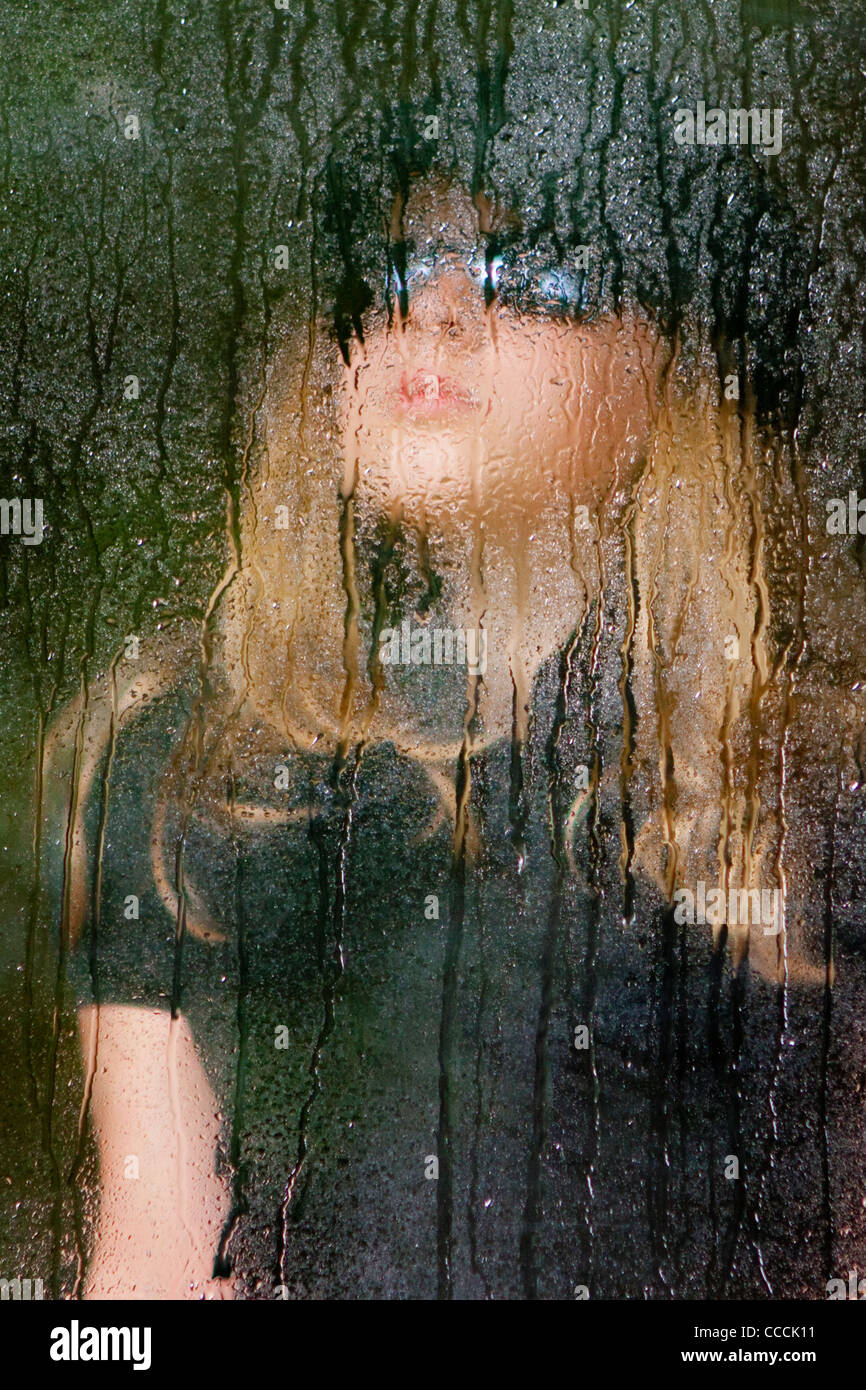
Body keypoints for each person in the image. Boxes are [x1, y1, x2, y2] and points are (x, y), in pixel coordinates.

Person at [45, 173, 819, 1300]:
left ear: (670, 382)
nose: (436, 309)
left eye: (534, 276)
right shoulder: (192, 764)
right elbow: (153, 1264)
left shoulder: (806, 784)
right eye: (397, 269)